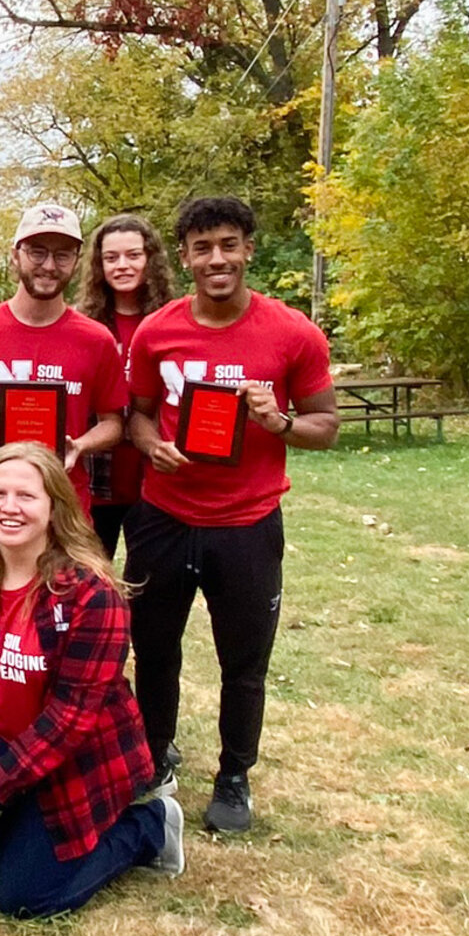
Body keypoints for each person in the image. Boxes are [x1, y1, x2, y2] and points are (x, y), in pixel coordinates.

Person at [0, 443, 183, 917]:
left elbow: (70, 720)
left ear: (54, 507)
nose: (9, 508)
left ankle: (150, 826)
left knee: (23, 896)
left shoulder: (92, 595)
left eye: (26, 496)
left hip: (76, 755)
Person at [123, 196, 338, 831]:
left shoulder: (292, 332)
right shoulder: (158, 331)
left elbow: (326, 426)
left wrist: (282, 422)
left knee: (243, 662)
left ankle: (234, 776)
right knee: (154, 649)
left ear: (248, 249)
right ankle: (155, 757)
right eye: (202, 247)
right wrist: (149, 444)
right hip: (164, 517)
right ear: (184, 256)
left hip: (245, 525)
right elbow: (135, 412)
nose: (216, 258)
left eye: (228, 244)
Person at [0, 203, 126, 519]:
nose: (49, 265)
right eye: (37, 252)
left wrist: (79, 446)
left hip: (65, 509)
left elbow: (113, 423)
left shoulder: (96, 339)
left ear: (77, 262)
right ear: (15, 255)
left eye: (63, 255)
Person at [77, 215, 177, 557]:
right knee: (88, 580)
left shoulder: (174, 322)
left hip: (155, 477)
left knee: (148, 588)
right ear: (98, 265)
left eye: (133, 255)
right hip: (94, 476)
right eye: (111, 258)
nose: (123, 265)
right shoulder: (83, 325)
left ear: (151, 259)